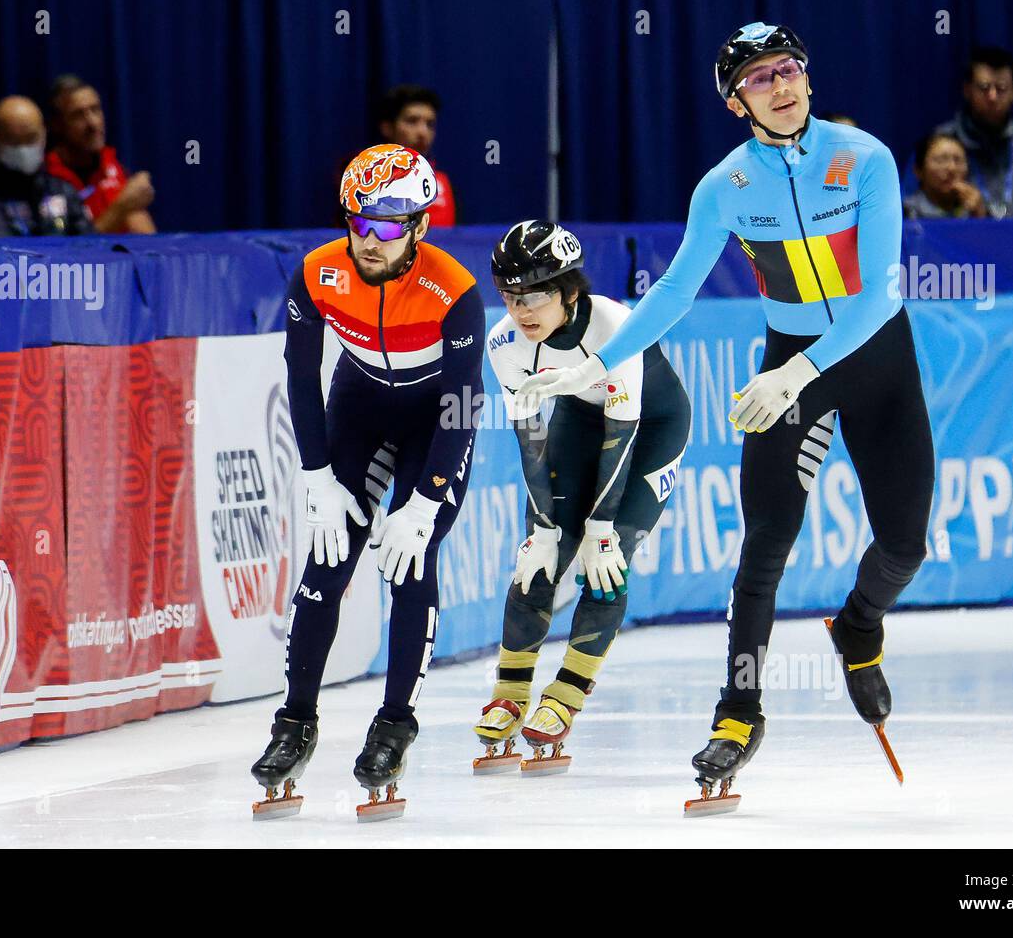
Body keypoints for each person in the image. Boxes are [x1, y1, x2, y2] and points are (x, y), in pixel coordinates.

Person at [515, 23, 935, 811]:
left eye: (789, 69)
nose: (781, 86)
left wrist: (798, 372)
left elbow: (879, 295)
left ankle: (859, 626)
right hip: (791, 362)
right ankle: (738, 714)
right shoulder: (724, 187)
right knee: (767, 544)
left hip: (872, 358)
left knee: (906, 545)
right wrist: (597, 363)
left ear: (807, 76)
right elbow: (675, 291)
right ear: (738, 102)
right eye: (760, 79)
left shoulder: (865, 159)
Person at [250, 144, 485, 821]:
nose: (369, 240)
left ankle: (394, 725)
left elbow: (463, 402)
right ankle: (294, 722)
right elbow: (300, 374)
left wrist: (428, 496)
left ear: (419, 226)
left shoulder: (454, 289)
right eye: (358, 223)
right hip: (356, 408)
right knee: (326, 566)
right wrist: (317, 475)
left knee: (411, 564)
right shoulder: (318, 273)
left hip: (433, 421)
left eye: (387, 226)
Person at [471, 221, 691, 774]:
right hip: (577, 422)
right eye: (510, 294)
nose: (522, 309)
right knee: (537, 561)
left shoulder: (617, 324)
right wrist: (544, 528)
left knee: (606, 562)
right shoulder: (504, 344)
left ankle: (566, 695)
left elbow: (622, 435)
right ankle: (510, 691)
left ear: (570, 290)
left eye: (536, 293)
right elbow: (531, 441)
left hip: (649, 430)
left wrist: (601, 529)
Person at [904, 46, 1013, 218]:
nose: (992, 96)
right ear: (967, 90)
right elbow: (906, 208)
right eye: (984, 87)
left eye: (1001, 88)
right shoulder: (939, 144)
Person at [0, 95, 94, 237]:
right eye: (14, 140)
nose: (23, 149)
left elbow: (88, 244)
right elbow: (2, 248)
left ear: (44, 133)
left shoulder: (62, 190)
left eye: (31, 138)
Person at [45, 75, 156, 234]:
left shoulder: (111, 164)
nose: (93, 123)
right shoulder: (48, 178)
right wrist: (122, 207)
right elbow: (66, 252)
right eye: (78, 115)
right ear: (57, 125)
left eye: (95, 109)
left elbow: (144, 233)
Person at [377, 85, 456, 226]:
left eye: (430, 124)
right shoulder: (365, 182)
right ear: (387, 128)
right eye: (412, 121)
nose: (422, 132)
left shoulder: (443, 182)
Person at [903, 133, 988, 219]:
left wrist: (981, 215)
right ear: (919, 170)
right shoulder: (905, 213)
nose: (952, 168)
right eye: (941, 160)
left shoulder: (977, 209)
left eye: (958, 160)